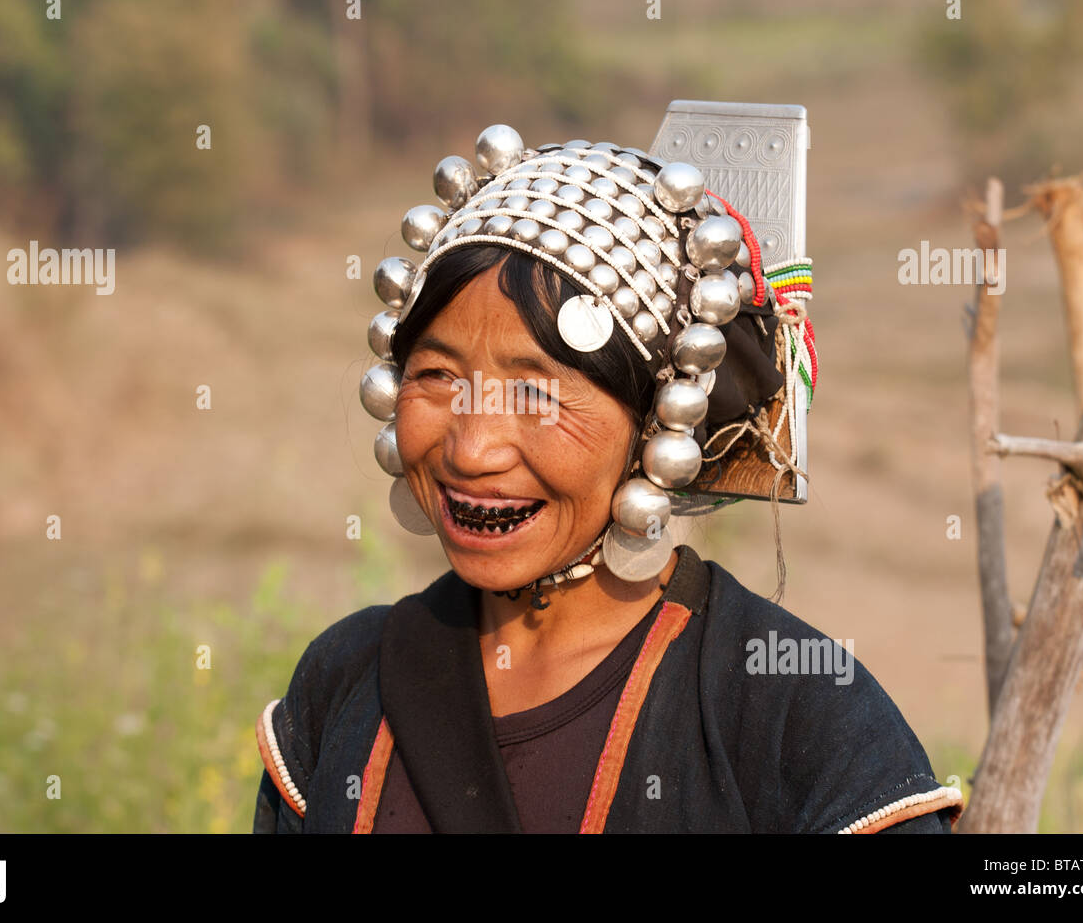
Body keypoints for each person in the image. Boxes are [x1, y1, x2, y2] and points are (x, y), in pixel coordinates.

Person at [253, 125, 964, 833]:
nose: (471, 450)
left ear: (655, 422)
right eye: (437, 376)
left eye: (537, 393)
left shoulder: (790, 712)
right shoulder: (346, 684)